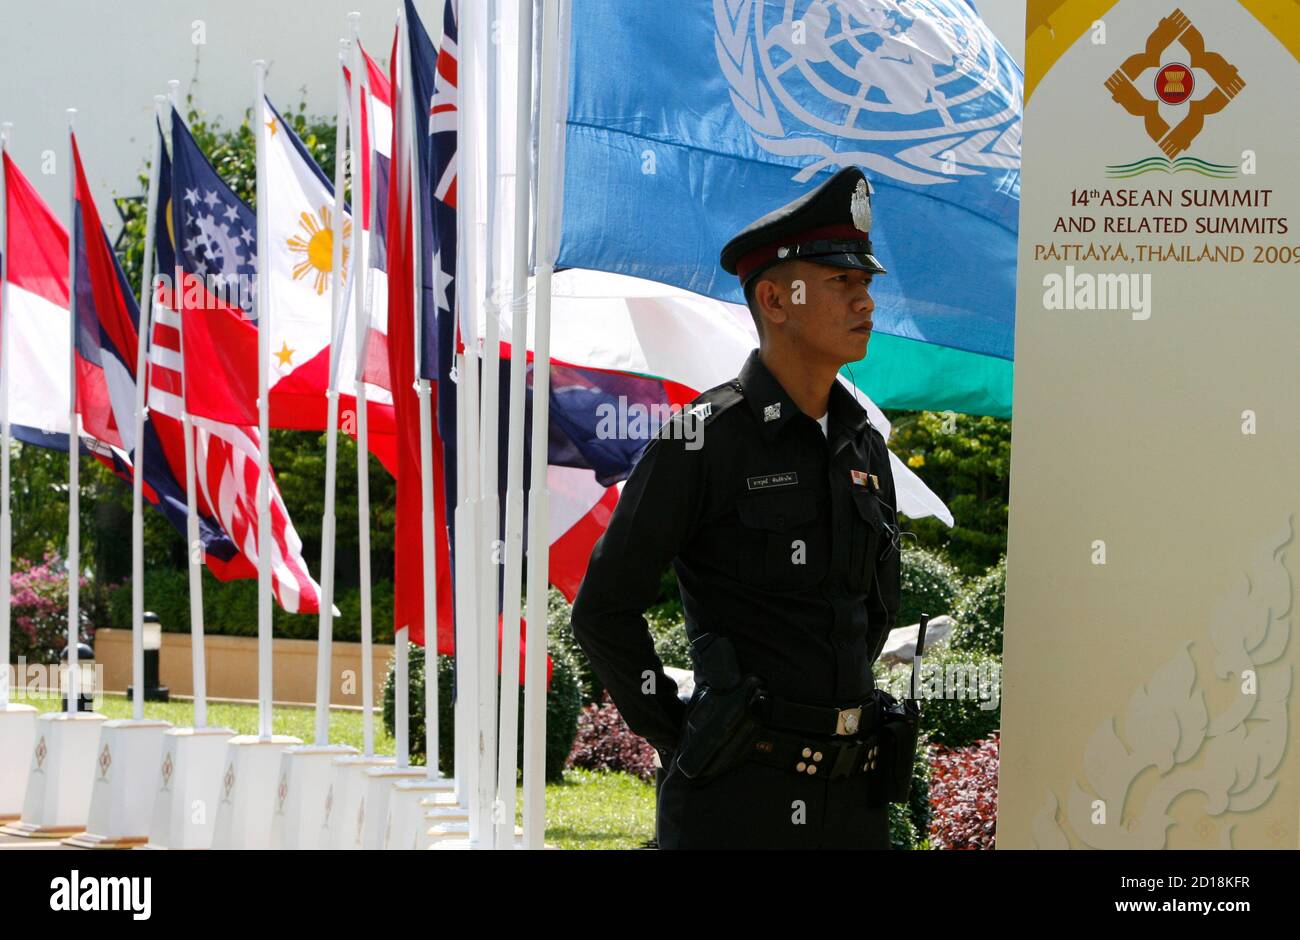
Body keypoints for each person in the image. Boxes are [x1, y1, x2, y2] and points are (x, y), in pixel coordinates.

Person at [570, 166, 903, 849]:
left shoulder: (863, 445)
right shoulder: (702, 438)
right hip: (737, 802)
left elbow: (873, 611)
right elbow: (604, 609)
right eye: (843, 282)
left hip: (852, 806)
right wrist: (684, 731)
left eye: (866, 284)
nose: (865, 301)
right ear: (776, 300)